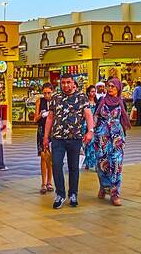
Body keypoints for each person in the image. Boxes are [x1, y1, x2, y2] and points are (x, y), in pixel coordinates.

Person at [43, 73, 94, 208]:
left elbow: (88, 115)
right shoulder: (56, 98)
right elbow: (50, 118)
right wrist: (45, 137)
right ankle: (60, 194)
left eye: (68, 82)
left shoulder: (82, 97)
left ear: (73, 83)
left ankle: (73, 194)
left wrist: (90, 131)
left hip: (75, 138)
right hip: (58, 138)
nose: (65, 85)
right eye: (63, 82)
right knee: (57, 165)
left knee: (73, 167)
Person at [94, 78, 130, 205]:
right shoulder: (101, 101)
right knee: (102, 162)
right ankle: (104, 186)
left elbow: (123, 119)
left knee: (116, 164)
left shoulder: (121, 102)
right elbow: (96, 116)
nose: (110, 89)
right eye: (108, 86)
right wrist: (92, 131)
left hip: (117, 137)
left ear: (118, 88)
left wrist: (122, 137)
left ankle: (114, 192)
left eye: (113, 87)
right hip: (102, 136)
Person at [35, 83, 55, 193]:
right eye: (45, 93)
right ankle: (43, 182)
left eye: (49, 93)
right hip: (42, 130)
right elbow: (35, 118)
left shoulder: (56, 101)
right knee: (43, 156)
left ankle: (49, 182)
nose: (47, 95)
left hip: (53, 131)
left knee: (50, 157)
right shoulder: (40, 101)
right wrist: (41, 114)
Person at [82, 85, 100, 170]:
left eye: (94, 91)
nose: (93, 93)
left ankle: (95, 164)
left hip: (96, 124)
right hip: (86, 124)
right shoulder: (85, 102)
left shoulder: (97, 102)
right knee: (88, 144)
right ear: (88, 93)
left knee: (95, 144)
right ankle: (88, 162)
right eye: (92, 91)